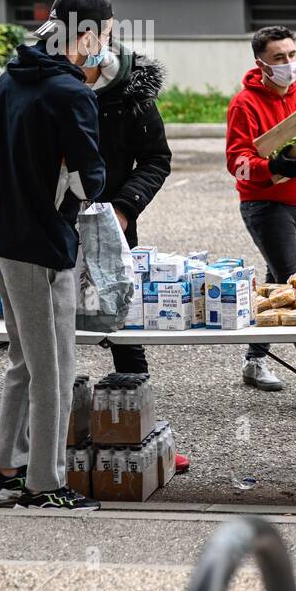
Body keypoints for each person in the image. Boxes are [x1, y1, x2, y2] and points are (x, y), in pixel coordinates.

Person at [0, 0, 109, 511]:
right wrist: (61, 174)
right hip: (43, 243)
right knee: (53, 368)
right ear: (88, 34)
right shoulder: (73, 93)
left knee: (24, 360)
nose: (105, 45)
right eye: (106, 34)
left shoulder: (11, 78)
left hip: (0, 237)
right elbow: (92, 183)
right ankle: (44, 484)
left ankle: (4, 470)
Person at [81, 27, 188, 472]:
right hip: (48, 227)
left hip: (112, 228)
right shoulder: (44, 82)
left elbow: (156, 158)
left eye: (98, 34)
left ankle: (139, 434)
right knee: (48, 337)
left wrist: (123, 210)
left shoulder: (131, 88)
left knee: (123, 331)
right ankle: (60, 439)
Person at [225, 26, 296, 390]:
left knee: (277, 280)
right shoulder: (243, 103)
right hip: (264, 205)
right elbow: (237, 163)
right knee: (295, 283)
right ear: (260, 62)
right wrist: (271, 167)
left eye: (292, 55)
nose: (289, 64)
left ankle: (255, 360)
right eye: (279, 58)